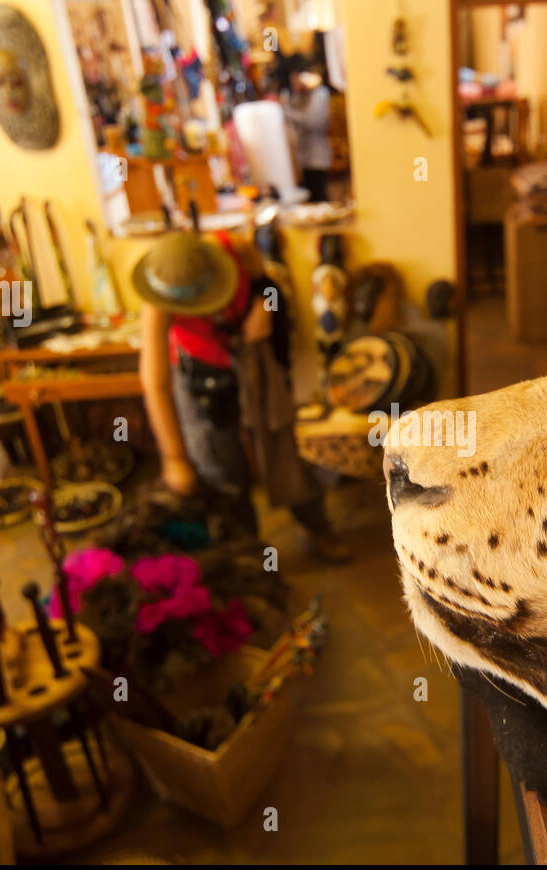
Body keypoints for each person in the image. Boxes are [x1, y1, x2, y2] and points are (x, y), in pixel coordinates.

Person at [135, 230, 350, 564]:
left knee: (282, 447)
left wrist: (265, 308)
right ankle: (248, 554)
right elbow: (155, 384)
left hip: (251, 356)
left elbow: (270, 286)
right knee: (221, 472)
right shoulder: (156, 302)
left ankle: (316, 525)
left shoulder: (233, 247)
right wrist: (175, 458)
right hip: (200, 379)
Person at [284, 63, 331, 202]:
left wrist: (289, 112)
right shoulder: (301, 96)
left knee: (319, 196)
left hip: (318, 157)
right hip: (303, 158)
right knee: (309, 196)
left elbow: (312, 121)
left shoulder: (320, 94)